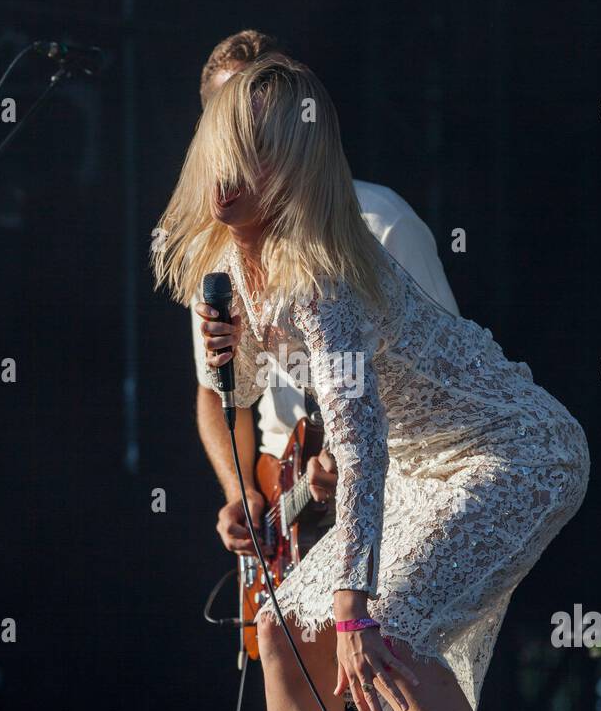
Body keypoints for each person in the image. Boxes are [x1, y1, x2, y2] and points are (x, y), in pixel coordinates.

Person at [153, 55, 590, 711]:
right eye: (218, 150)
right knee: (285, 633)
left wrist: (354, 608)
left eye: (247, 154)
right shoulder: (235, 263)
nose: (223, 177)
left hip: (514, 452)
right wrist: (231, 349)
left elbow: (358, 445)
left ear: (286, 164)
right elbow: (247, 390)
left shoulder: (324, 275)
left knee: (389, 631)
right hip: (422, 465)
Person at [191, 30, 458, 554]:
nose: (241, 133)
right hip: (282, 498)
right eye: (226, 117)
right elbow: (214, 388)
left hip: (386, 487)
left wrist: (353, 456)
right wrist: (242, 492)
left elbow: (442, 377)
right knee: (275, 636)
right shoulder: (219, 248)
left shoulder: (381, 224)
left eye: (260, 109)